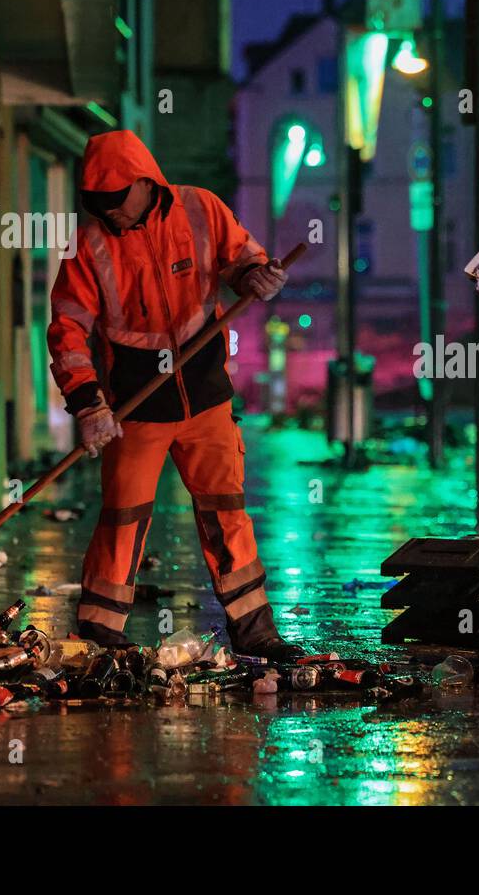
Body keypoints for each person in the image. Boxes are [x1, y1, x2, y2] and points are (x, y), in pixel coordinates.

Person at [48, 129, 302, 661]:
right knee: (123, 514)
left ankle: (255, 629)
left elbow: (242, 259)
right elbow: (68, 329)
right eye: (99, 206)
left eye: (116, 202)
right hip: (136, 407)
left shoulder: (200, 209)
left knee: (226, 511)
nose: (111, 214)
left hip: (206, 397)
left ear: (145, 183)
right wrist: (88, 403)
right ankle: (98, 634)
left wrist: (257, 276)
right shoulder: (89, 244)